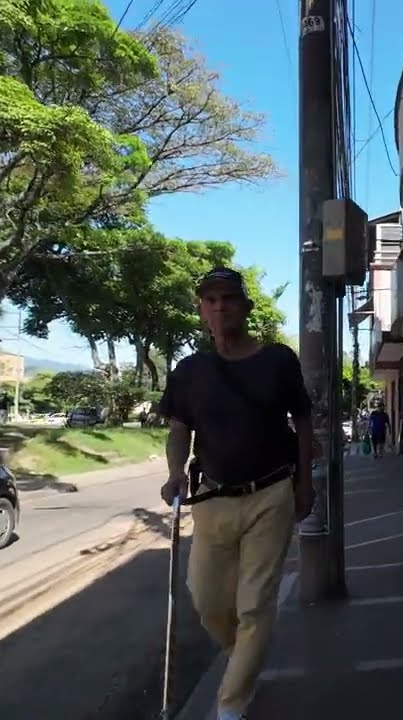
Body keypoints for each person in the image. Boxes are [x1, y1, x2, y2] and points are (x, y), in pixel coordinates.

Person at [158, 266, 314, 720]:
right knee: (206, 599)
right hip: (212, 498)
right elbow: (178, 429)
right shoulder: (190, 371)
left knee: (255, 603)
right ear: (201, 310)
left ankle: (231, 705)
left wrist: (306, 482)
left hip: (271, 494)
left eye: (228, 298)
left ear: (245, 307)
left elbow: (303, 422)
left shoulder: (279, 360)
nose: (219, 306)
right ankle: (245, 657)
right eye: (210, 299)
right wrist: (173, 472)